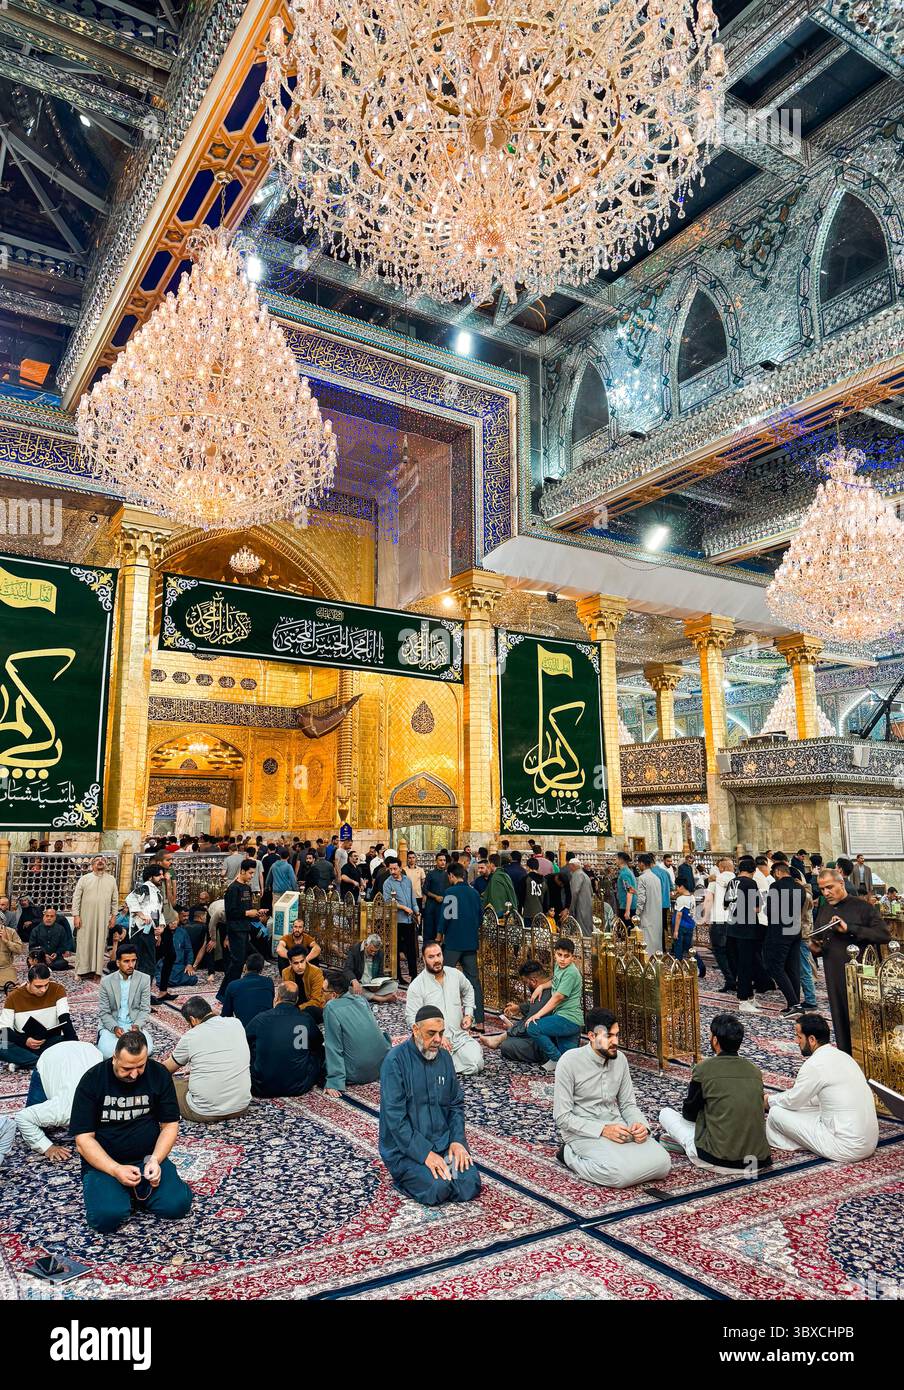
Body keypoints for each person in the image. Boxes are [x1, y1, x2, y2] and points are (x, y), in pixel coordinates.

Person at [70, 1030, 193, 1234]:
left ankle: (134, 1193)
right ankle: (122, 1193)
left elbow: (169, 1125)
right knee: (107, 1219)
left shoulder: (158, 1074)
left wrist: (156, 1159)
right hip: (105, 1164)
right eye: (127, 1068)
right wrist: (115, 1169)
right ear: (114, 1057)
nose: (134, 1074)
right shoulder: (92, 1080)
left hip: (147, 1159)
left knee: (177, 1206)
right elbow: (83, 1140)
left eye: (140, 1066)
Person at [554, 1008, 671, 1188]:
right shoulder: (569, 1062)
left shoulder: (621, 1060)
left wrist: (642, 1126)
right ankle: (568, 1155)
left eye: (616, 1035)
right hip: (582, 1130)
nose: (615, 1041)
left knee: (663, 1164)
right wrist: (603, 1130)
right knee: (619, 1175)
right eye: (609, 1036)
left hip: (616, 1124)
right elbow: (562, 1117)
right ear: (592, 1036)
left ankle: (616, 1154)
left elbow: (628, 1105)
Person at [378, 1005, 482, 1207]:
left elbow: (455, 1104)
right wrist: (425, 1154)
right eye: (431, 1033)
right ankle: (404, 1178)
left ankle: (439, 1167)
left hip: (442, 1144)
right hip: (405, 1150)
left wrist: (457, 1141)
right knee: (437, 1188)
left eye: (441, 1033)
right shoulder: (395, 1062)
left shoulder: (444, 1058)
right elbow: (395, 1120)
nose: (437, 1040)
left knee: (469, 1184)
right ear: (416, 1030)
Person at [659, 1013, 772, 1173]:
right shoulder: (755, 1071)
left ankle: (681, 1144)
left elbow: (689, 1114)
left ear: (715, 1040)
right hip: (756, 1162)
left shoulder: (703, 1069)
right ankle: (680, 1142)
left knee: (666, 1114)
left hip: (716, 1159)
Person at [766, 1012, 879, 1162]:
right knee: (808, 1106)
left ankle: (795, 1141)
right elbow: (813, 1100)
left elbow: (793, 1101)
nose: (796, 1041)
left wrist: (768, 1101)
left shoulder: (814, 1064)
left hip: (846, 1147)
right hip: (870, 1142)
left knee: (776, 1112)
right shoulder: (844, 1057)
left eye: (799, 1037)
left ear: (811, 1039)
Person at [811, 868, 889, 1054]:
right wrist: (816, 949)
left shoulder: (862, 907)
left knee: (866, 1022)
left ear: (841, 883)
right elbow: (823, 941)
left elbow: (883, 934)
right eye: (822, 889)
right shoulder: (824, 909)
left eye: (829, 887)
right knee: (840, 1020)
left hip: (862, 978)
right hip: (834, 975)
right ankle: (847, 1059)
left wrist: (850, 928)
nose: (826, 893)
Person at [161, 996, 251, 1123]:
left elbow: (165, 1069)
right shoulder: (236, 1023)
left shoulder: (192, 1036)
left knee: (168, 1083)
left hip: (202, 1111)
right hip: (241, 1106)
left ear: (192, 1020)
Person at [15, 1040, 102, 1161]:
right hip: (52, 1055)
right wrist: (47, 1147)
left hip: (89, 1050)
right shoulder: (63, 1111)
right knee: (35, 1123)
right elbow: (22, 1118)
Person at [405, 941, 484, 1075]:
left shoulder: (455, 974)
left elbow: (469, 990)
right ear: (423, 959)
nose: (436, 960)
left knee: (476, 1063)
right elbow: (411, 1019)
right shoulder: (417, 985)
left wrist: (469, 1014)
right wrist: (436, 1037)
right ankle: (438, 1062)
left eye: (438, 955)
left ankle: (440, 1065)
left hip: (459, 1038)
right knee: (431, 1056)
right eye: (431, 957)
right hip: (432, 1041)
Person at [245, 982, 324, 1097]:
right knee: (320, 1051)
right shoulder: (305, 1019)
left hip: (262, 1086)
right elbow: (317, 1042)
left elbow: (244, 1040)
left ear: (277, 997)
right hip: (299, 1085)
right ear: (296, 999)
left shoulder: (261, 1019)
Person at [323, 968, 391, 1095]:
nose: (321, 994)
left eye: (323, 991)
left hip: (357, 1072)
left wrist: (334, 1081)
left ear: (333, 995)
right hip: (380, 1066)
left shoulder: (330, 1007)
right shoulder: (361, 999)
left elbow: (333, 1046)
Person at [0, 964, 76, 1068]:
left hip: (49, 1041)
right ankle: (45, 1062)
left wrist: (76, 1046)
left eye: (46, 985)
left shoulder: (58, 989)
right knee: (2, 1045)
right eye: (38, 986)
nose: (43, 990)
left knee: (68, 1041)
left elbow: (65, 1019)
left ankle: (26, 1061)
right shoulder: (14, 996)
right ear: (28, 982)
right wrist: (25, 1041)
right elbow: (4, 1030)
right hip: (23, 1043)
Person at [524, 938, 584, 1071]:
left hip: (568, 1019)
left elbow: (558, 997)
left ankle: (555, 1059)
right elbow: (556, 982)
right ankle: (560, 1060)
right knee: (569, 1063)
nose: (562, 959)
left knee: (533, 1027)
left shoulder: (571, 972)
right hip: (564, 1018)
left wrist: (537, 1015)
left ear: (572, 957)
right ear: (555, 954)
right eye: (559, 955)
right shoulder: (559, 966)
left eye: (566, 956)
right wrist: (542, 986)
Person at [438, 862, 485, 1028]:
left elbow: (446, 917)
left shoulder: (450, 892)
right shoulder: (474, 893)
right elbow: (481, 919)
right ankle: (479, 1021)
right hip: (470, 942)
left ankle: (443, 1017)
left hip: (453, 942)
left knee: (443, 978)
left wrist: (439, 935)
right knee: (473, 982)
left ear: (451, 875)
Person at [479, 961, 549, 1063]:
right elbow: (534, 1008)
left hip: (547, 1044)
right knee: (512, 1039)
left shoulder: (544, 993)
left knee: (507, 1046)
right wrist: (519, 1008)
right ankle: (502, 1037)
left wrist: (511, 1030)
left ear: (533, 981)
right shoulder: (550, 984)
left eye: (526, 983)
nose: (526, 986)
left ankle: (499, 1039)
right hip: (543, 1033)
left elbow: (529, 1024)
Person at [97, 944, 154, 1059]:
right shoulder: (106, 982)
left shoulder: (144, 979)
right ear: (118, 963)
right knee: (109, 1053)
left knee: (147, 1050)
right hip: (113, 1026)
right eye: (126, 961)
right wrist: (115, 1028)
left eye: (133, 961)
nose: (131, 965)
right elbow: (104, 1012)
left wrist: (137, 1026)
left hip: (133, 1026)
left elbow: (144, 1009)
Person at [764, 860, 805, 1013]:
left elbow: (769, 911)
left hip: (779, 932)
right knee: (792, 968)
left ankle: (794, 1004)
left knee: (776, 967)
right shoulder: (799, 888)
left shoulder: (776, 886)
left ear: (779, 872)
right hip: (795, 931)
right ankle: (795, 1003)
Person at [216, 859, 260, 1001]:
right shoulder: (233, 889)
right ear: (242, 871)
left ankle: (241, 987)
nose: (252, 876)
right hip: (235, 930)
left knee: (255, 957)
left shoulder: (247, 888)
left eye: (254, 873)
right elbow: (230, 912)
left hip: (245, 928)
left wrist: (257, 913)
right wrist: (247, 913)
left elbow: (245, 909)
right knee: (237, 963)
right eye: (250, 873)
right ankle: (224, 993)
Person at [727, 856, 765, 1014]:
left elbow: (727, 903)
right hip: (747, 930)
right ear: (753, 871)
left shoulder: (732, 882)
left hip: (732, 928)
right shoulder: (751, 883)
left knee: (742, 964)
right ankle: (743, 999)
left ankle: (749, 997)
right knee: (746, 965)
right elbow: (757, 908)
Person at [71, 856, 119, 980]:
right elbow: (76, 899)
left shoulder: (111, 880)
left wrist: (113, 916)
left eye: (102, 860)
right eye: (97, 860)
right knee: (84, 942)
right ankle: (80, 971)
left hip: (103, 917)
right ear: (92, 865)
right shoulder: (84, 879)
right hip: (85, 917)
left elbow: (115, 900)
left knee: (100, 942)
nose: (100, 861)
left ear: (106, 864)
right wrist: (76, 916)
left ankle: (97, 972)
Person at [125, 864, 166, 982]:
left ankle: (144, 994)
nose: (161, 877)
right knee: (143, 964)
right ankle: (141, 994)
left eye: (162, 874)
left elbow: (157, 913)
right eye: (158, 875)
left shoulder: (157, 893)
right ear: (150, 877)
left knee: (148, 964)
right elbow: (130, 898)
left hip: (149, 932)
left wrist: (160, 928)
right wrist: (142, 915)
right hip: (140, 931)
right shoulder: (145, 888)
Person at [383, 857, 419, 982]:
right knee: (397, 948)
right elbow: (388, 901)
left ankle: (414, 974)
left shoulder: (407, 880)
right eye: (390, 869)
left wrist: (416, 910)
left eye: (395, 868)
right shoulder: (387, 883)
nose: (392, 871)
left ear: (400, 867)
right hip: (397, 921)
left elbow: (412, 896)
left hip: (409, 919)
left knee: (411, 949)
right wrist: (403, 907)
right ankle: (399, 976)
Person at [706, 856, 738, 994]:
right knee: (733, 951)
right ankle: (736, 979)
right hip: (736, 921)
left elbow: (708, 900)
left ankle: (730, 980)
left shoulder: (714, 881)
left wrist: (705, 918)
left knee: (720, 951)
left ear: (722, 868)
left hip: (719, 920)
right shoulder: (738, 880)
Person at [221, 952, 275, 1028]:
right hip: (266, 1028)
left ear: (245, 967)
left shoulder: (233, 985)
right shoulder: (269, 982)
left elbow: (226, 1015)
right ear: (261, 969)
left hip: (244, 1030)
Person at [343, 933, 398, 1001]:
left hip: (371, 985)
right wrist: (354, 981)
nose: (373, 953)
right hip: (359, 984)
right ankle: (380, 998)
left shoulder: (380, 953)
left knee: (394, 984)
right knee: (351, 988)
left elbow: (380, 973)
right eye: (371, 950)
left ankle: (369, 996)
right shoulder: (355, 949)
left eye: (375, 951)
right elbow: (347, 969)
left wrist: (377, 985)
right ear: (366, 945)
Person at [281, 944, 327, 1024]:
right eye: (296, 963)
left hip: (311, 1007)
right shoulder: (286, 972)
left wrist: (298, 1008)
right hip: (295, 1004)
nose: (300, 966)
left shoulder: (316, 972)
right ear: (290, 962)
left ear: (306, 959)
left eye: (302, 961)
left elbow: (316, 1000)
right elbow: (286, 995)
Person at [634, 854, 663, 955]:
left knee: (647, 940)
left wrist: (637, 913)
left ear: (642, 863)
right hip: (656, 913)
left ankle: (647, 964)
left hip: (646, 913)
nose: (638, 865)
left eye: (638, 863)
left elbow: (641, 899)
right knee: (656, 937)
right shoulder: (656, 878)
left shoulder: (642, 878)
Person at [421, 851, 449, 944]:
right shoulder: (431, 874)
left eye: (444, 860)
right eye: (440, 860)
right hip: (431, 906)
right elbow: (424, 889)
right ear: (436, 861)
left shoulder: (448, 875)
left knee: (441, 929)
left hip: (443, 906)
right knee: (429, 930)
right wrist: (435, 896)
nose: (443, 862)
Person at [566, 858, 595, 936]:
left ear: (573, 866)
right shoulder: (584, 875)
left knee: (581, 928)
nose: (569, 868)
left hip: (580, 906)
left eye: (570, 866)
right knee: (587, 926)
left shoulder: (577, 875)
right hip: (587, 906)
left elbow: (574, 892)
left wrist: (571, 907)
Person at [651, 856, 674, 948]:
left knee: (655, 927)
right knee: (664, 925)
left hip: (655, 904)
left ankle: (657, 946)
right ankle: (665, 947)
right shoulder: (665, 872)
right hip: (665, 903)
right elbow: (672, 887)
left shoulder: (651, 873)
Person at [0, 918, 25, 993]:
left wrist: (6, 941)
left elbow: (20, 950)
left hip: (6, 967)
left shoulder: (11, 932)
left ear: (1, 921)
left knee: (8, 985)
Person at [615, 851, 636, 924]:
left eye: (616, 858)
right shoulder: (627, 871)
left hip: (626, 906)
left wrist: (627, 911)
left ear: (620, 860)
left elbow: (629, 892)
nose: (615, 860)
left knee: (626, 931)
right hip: (626, 905)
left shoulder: (625, 874)